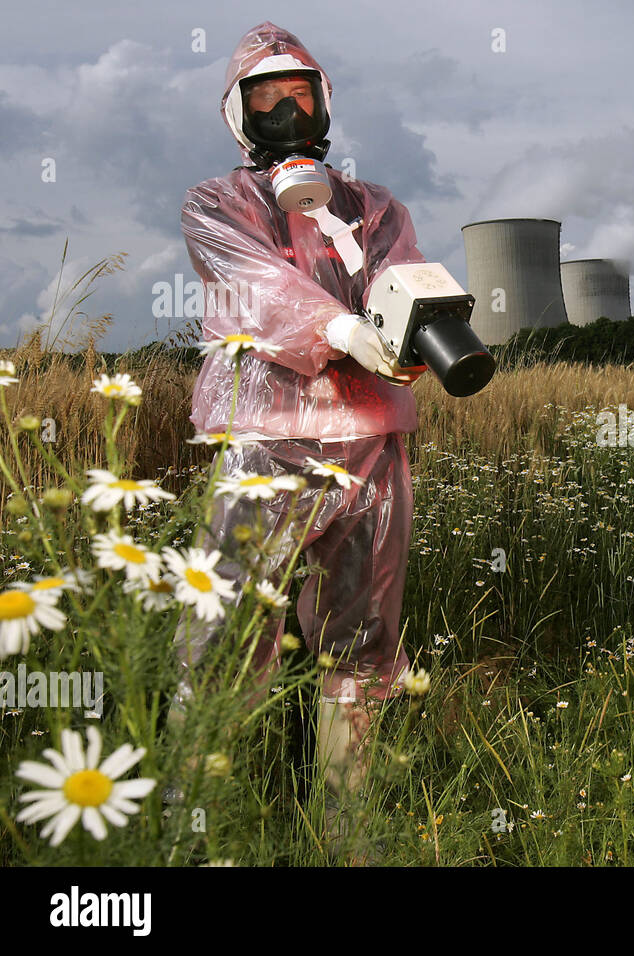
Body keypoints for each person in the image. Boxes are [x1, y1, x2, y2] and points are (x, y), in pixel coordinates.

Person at [173, 21, 426, 838]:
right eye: (267, 99)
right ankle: (202, 831)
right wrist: (341, 332)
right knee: (224, 636)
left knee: (363, 640)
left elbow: (400, 286)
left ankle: (348, 837)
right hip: (262, 440)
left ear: (326, 103)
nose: (288, 113)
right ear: (236, 116)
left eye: (301, 96)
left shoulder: (376, 208)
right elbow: (254, 287)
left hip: (368, 442)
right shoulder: (215, 204)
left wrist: (411, 335)